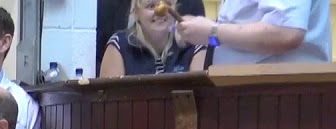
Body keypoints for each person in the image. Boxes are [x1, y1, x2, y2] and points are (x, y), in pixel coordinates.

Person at [177, 0, 331, 65]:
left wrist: (212, 32)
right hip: (260, 97)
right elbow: (230, 40)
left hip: (278, 98)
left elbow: (287, 33)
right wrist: (200, 31)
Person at [99, 0, 207, 76]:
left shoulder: (192, 45)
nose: (160, 11)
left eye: (167, 4)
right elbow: (109, 103)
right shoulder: (120, 46)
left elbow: (200, 96)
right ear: (136, 13)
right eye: (151, 6)